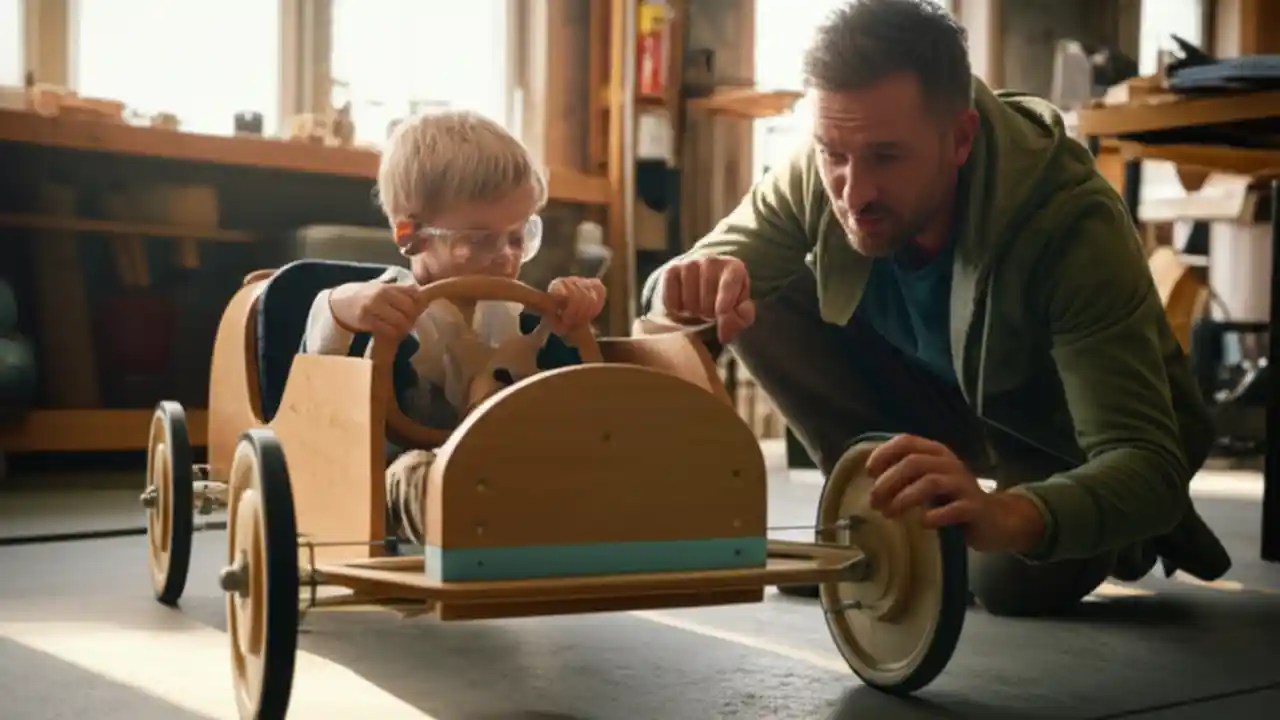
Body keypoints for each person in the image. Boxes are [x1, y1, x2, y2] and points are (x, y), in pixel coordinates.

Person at [642, 0, 1231, 616]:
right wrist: (681, 296)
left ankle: (1030, 529)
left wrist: (1005, 513)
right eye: (833, 154)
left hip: (1057, 441)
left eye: (886, 158)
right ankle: (882, 504)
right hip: (942, 402)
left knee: (1004, 581)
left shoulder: (1071, 225)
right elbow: (672, 293)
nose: (854, 191)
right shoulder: (827, 166)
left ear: (960, 138)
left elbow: (1149, 465)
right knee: (739, 287)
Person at [303, 109, 606, 545]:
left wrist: (572, 318)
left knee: (583, 459)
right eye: (480, 241)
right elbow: (320, 369)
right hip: (407, 470)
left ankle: (536, 522)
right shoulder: (386, 304)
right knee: (416, 476)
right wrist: (343, 307)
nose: (506, 256)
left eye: (520, 237)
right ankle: (480, 528)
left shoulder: (522, 312)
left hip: (510, 466)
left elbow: (574, 392)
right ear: (410, 236)